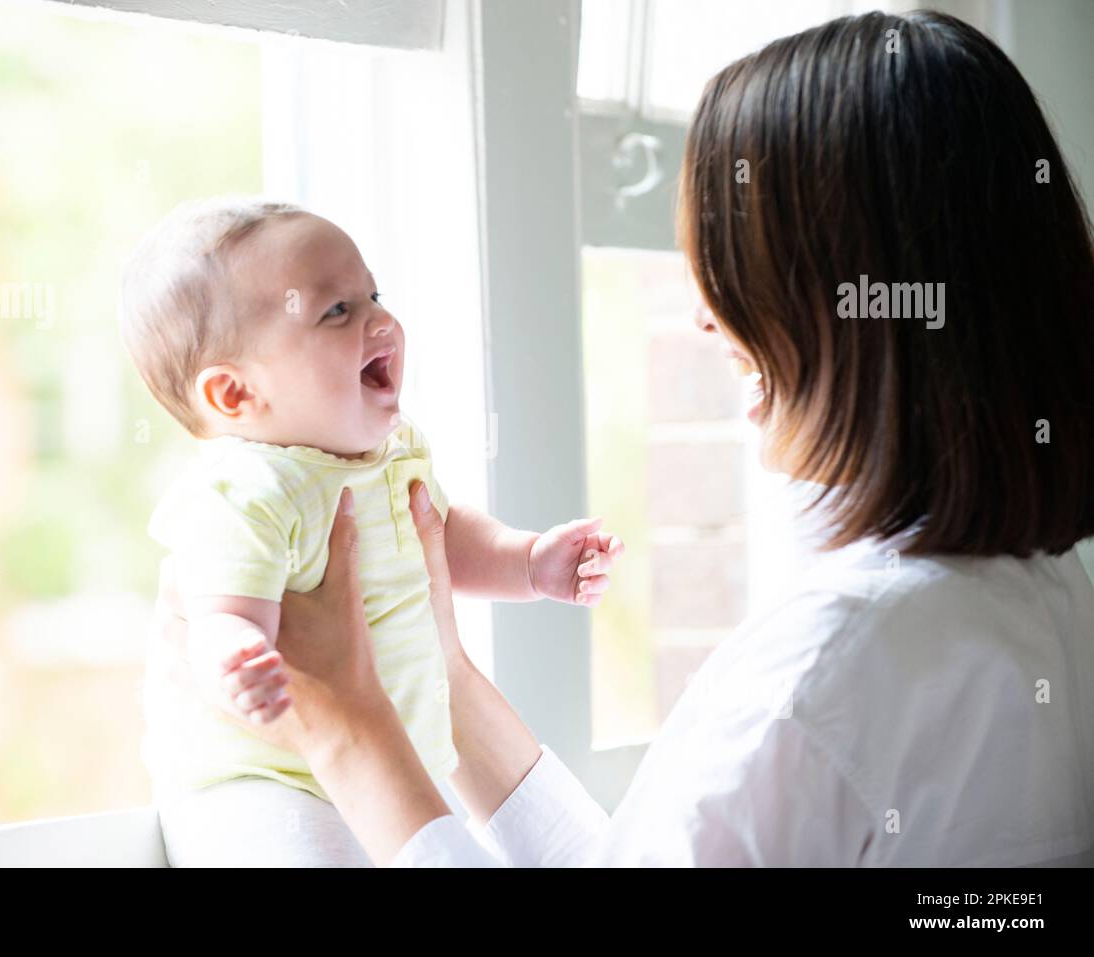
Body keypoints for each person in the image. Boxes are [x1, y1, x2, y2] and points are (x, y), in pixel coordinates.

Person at [160, 10, 1094, 866]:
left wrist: (348, 729)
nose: (702, 318)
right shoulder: (1049, 603)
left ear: (848, 308)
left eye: (731, 270)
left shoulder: (831, 668)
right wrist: (439, 672)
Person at [118, 199, 623, 865]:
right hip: (261, 782)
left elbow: (441, 533)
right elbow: (214, 615)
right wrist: (238, 654)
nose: (381, 320)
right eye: (337, 310)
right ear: (236, 395)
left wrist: (528, 560)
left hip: (384, 764)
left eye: (373, 294)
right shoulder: (245, 490)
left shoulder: (391, 449)